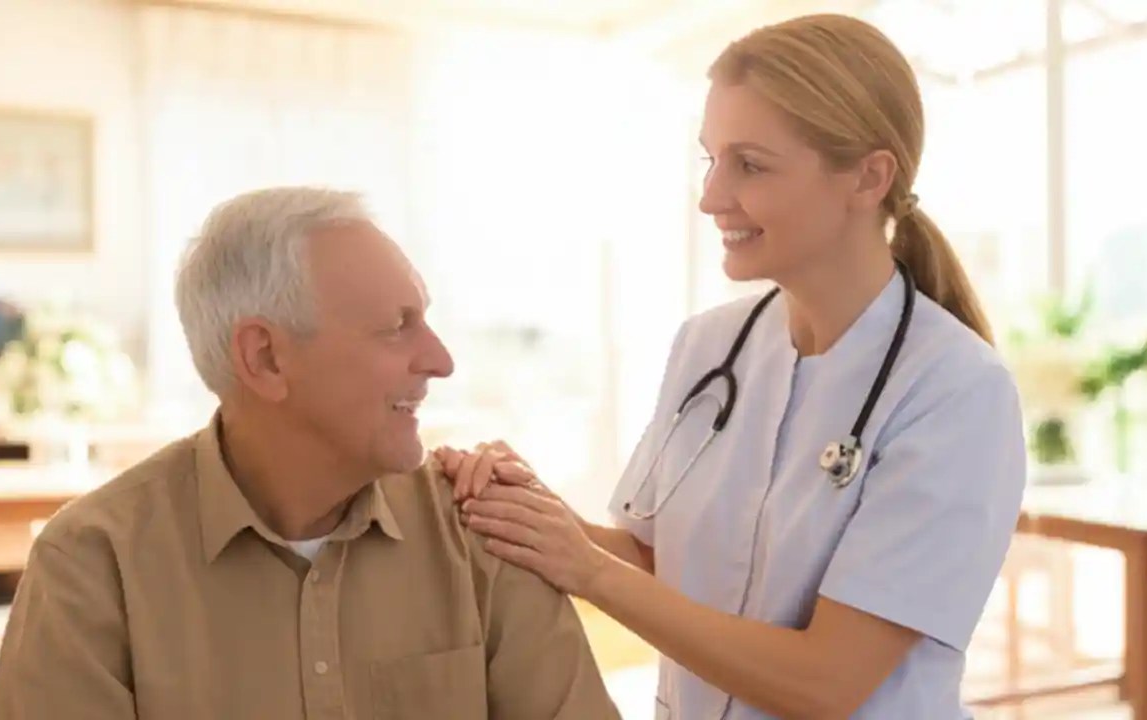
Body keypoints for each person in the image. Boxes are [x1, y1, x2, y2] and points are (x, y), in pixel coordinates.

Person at [438, 13, 1026, 720]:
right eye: (710, 159)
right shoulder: (709, 348)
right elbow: (662, 562)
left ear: (869, 177)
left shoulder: (955, 391)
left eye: (749, 165)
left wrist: (586, 567)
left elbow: (828, 684)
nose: (712, 196)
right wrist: (532, 515)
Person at [0, 187, 620, 720]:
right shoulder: (92, 566)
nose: (441, 360)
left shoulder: (484, 530)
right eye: (396, 326)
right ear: (265, 358)